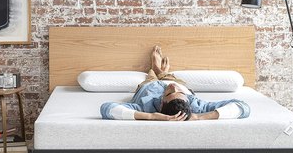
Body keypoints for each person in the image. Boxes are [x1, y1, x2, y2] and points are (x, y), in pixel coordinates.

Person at [100, 46, 250, 121]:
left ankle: (154, 70)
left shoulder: (145, 107)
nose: (172, 89)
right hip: (176, 80)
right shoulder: (197, 106)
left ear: (161, 104)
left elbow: (106, 109)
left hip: (148, 87)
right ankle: (161, 71)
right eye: (180, 93)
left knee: (150, 78)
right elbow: (243, 107)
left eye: (170, 93)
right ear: (188, 102)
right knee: (172, 80)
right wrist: (200, 117)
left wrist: (152, 116)